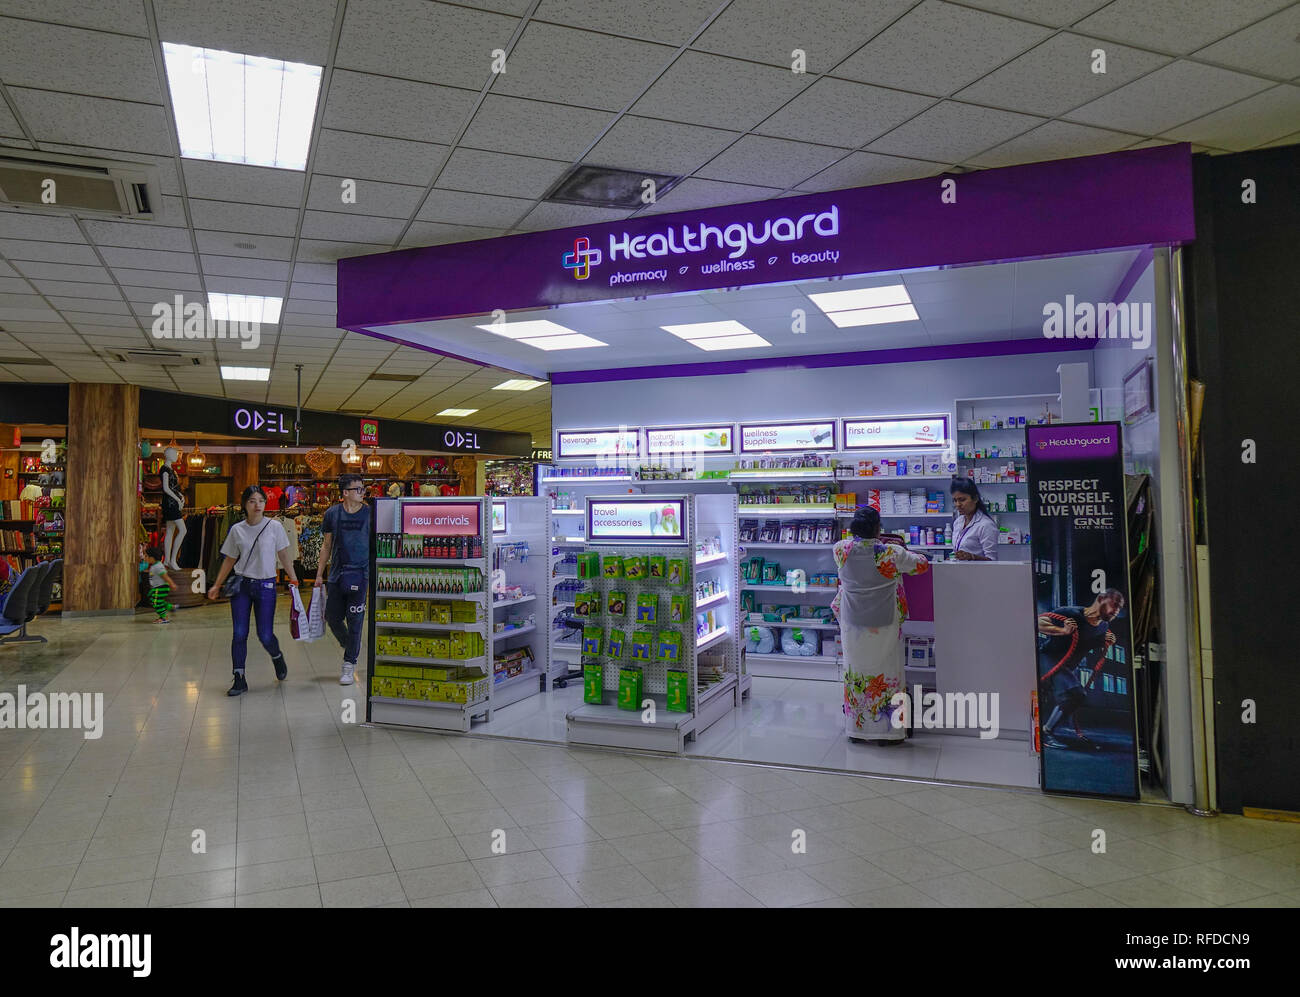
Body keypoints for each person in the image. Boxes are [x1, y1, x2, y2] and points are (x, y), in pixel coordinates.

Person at [832, 507, 930, 745]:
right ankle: (888, 732)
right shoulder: (890, 553)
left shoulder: (840, 549)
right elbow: (922, 565)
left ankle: (856, 728)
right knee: (888, 673)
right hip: (884, 623)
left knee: (855, 673)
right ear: (877, 527)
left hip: (852, 623)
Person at [208, 485, 298, 697]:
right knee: (239, 633)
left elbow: (284, 554)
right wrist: (217, 584)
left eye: (260, 501)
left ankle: (277, 657)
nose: (257, 505)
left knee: (265, 634)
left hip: (266, 585)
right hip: (242, 585)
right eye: (252, 501)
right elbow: (230, 559)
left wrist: (293, 577)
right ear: (244, 505)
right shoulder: (237, 530)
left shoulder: (274, 527)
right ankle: (239, 677)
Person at [1037, 588, 1125, 750]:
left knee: (1074, 697)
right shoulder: (1070, 613)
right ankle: (1045, 733)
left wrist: (1106, 641)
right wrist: (1062, 631)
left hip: (1067, 667)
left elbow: (1090, 643)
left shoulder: (1103, 627)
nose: (1117, 611)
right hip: (1048, 660)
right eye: (1115, 605)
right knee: (1075, 693)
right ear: (1100, 599)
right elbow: (1038, 623)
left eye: (1120, 608)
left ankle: (1045, 730)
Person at [315, 472, 371, 686]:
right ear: (345, 493)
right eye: (358, 489)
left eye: (363, 489)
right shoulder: (332, 514)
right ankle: (350, 644)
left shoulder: (369, 514)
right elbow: (326, 545)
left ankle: (349, 663)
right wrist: (320, 574)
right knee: (332, 617)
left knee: (355, 620)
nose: (362, 492)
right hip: (337, 574)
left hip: (361, 573)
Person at [949, 477, 998, 561]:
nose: (958, 504)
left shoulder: (986, 525)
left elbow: (992, 561)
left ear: (975, 498)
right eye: (955, 500)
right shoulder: (958, 522)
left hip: (978, 573)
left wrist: (972, 557)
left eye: (962, 500)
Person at [144, 546, 175, 624]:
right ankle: (170, 607)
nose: (145, 557)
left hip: (161, 587)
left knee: (156, 602)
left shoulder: (158, 566)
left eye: (146, 556)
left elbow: (165, 576)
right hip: (157, 587)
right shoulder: (154, 565)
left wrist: (172, 584)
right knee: (154, 600)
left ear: (152, 558)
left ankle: (164, 618)